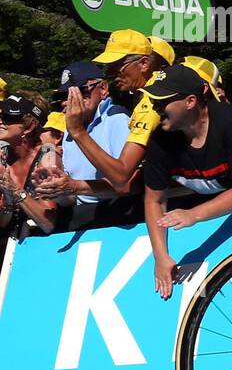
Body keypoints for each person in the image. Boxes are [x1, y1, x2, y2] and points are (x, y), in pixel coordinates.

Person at [142, 66, 232, 300]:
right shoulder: (160, 139)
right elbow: (154, 200)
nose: (156, 108)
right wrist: (160, 255)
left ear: (190, 101)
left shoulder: (231, 121)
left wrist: (193, 215)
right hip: (205, 209)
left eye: (162, 101)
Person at [60, 29, 171, 197]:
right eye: (109, 67)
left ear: (144, 64)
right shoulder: (145, 95)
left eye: (118, 65)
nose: (111, 73)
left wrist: (78, 132)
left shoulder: (152, 101)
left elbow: (121, 177)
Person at [33, 61, 128, 219]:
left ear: (103, 88)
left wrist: (74, 186)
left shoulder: (117, 120)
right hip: (82, 216)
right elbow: (74, 196)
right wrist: (57, 190)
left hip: (120, 214)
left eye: (79, 91)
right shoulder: (71, 130)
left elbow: (130, 185)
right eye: (63, 96)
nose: (67, 101)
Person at [0, 93, 58, 235]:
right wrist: (8, 200)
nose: (0, 121)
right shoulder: (2, 155)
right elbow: (2, 224)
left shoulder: (47, 158)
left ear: (29, 127)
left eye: (7, 117)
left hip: (37, 247)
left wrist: (15, 190)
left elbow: (49, 224)